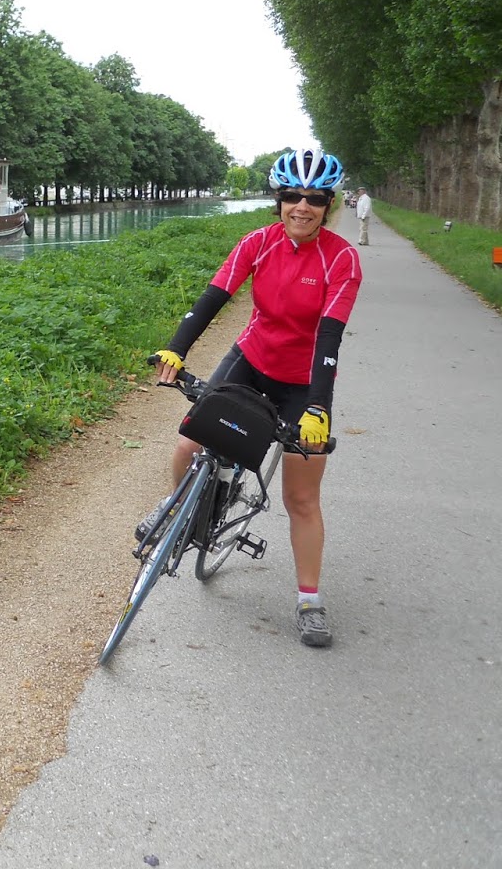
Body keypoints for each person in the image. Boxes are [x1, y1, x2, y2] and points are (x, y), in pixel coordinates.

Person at [143, 147, 363, 648]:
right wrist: (175, 350)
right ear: (279, 199)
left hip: (303, 380)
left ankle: (309, 599)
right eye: (291, 197)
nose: (301, 207)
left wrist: (319, 408)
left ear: (328, 204)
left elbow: (329, 337)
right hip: (252, 358)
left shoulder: (341, 258)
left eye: (314, 198)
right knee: (188, 444)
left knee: (301, 497)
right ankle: (179, 510)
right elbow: (213, 297)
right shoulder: (258, 243)